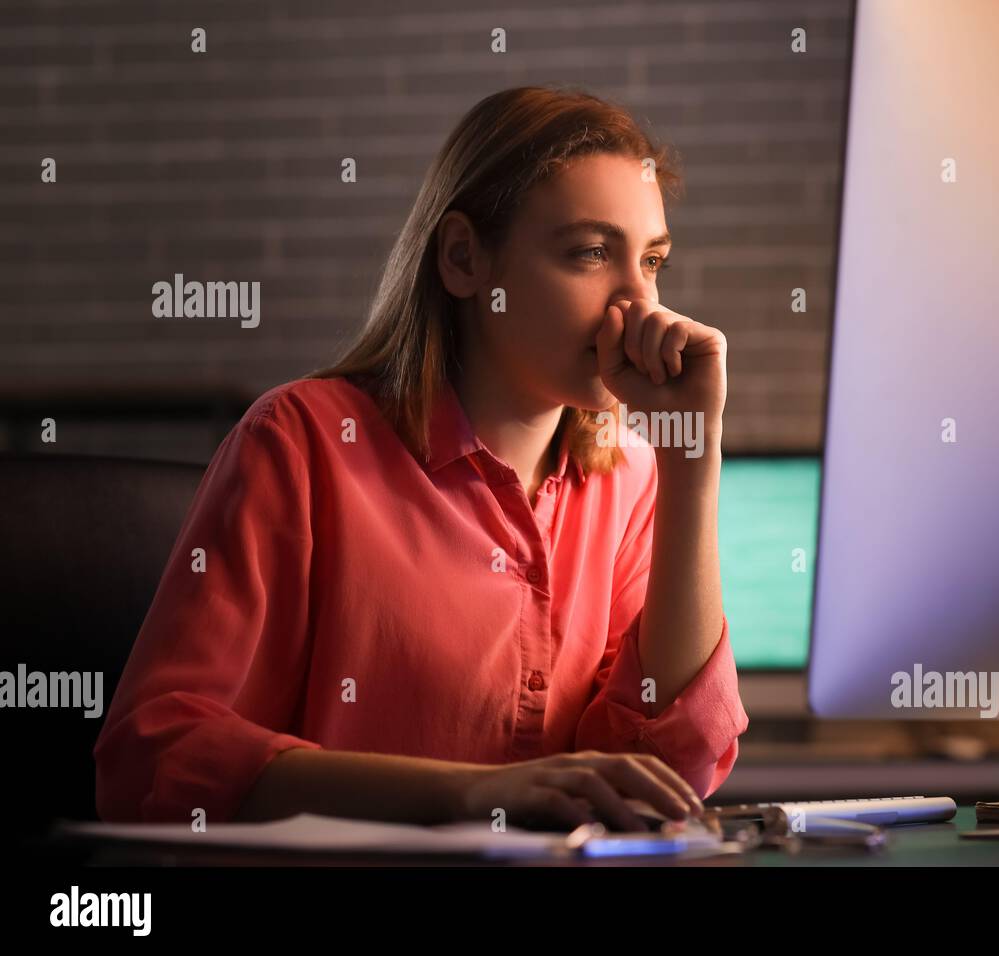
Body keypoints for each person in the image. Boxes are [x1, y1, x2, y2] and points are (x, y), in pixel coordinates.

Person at [93, 85, 750, 833]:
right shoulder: (301, 442)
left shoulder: (630, 479)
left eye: (654, 261)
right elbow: (154, 760)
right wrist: (466, 796)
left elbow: (669, 772)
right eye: (592, 253)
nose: (638, 304)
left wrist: (691, 456)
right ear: (465, 260)